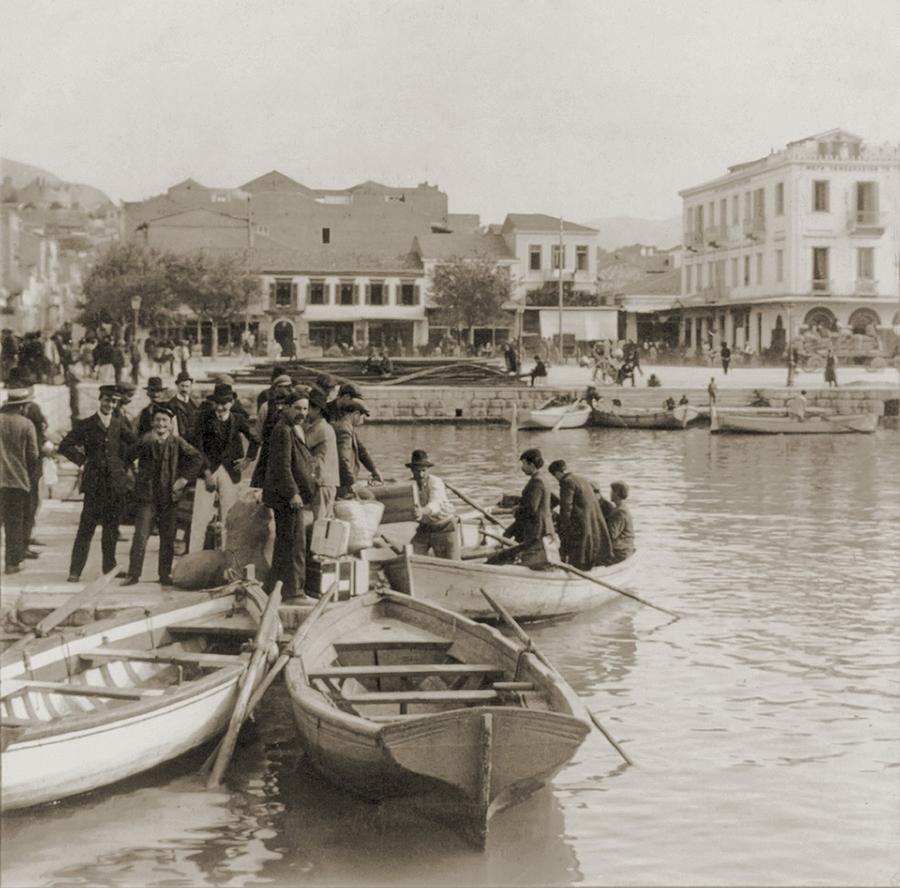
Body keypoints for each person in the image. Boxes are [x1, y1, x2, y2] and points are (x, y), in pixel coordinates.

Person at [58, 385, 136, 582]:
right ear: (100, 400)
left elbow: (136, 444)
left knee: (111, 529)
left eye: (114, 401)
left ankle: (109, 568)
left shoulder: (119, 424)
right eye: (107, 400)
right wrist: (83, 460)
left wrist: (121, 464)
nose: (110, 404)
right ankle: (75, 571)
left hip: (115, 485)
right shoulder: (86, 424)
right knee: (87, 528)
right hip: (94, 484)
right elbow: (65, 445)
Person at [120, 406, 203, 587]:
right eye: (157, 420)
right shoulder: (145, 441)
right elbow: (126, 457)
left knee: (168, 537)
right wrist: (132, 477)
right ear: (152, 423)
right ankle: (133, 574)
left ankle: (164, 575)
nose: (161, 424)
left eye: (165, 420)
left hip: (169, 498)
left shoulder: (177, 442)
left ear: (170, 425)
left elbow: (197, 458)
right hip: (147, 497)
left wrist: (183, 479)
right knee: (141, 536)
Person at [190, 383, 259, 553]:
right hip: (207, 471)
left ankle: (229, 558)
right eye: (217, 403)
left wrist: (248, 459)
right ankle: (193, 559)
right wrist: (206, 472)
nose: (220, 407)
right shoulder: (203, 418)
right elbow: (197, 447)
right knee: (200, 517)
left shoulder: (238, 419)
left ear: (232, 402)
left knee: (230, 517)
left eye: (225, 403)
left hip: (230, 471)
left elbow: (256, 439)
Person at [262, 389, 317, 600]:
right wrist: (294, 493)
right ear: (287, 407)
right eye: (297, 408)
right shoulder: (284, 430)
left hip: (283, 496)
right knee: (296, 543)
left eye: (305, 408)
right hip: (287, 497)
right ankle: (294, 591)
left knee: (284, 542)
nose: (302, 412)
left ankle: (273, 587)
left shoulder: (293, 428)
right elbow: (282, 466)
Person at [487, 448, 557, 565]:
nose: (522, 467)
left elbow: (531, 509)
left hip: (536, 530)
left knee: (504, 554)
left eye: (524, 464)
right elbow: (553, 500)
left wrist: (517, 509)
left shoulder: (536, 482)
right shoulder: (543, 479)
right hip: (542, 527)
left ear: (531, 464)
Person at [0, 384, 40, 574]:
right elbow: (33, 456)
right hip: (16, 481)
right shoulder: (26, 424)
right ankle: (12, 563)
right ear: (22, 406)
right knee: (14, 523)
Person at [548, 460, 612, 570]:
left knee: (576, 552)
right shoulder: (581, 479)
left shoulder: (567, 482)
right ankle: (585, 567)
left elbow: (566, 508)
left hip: (579, 524)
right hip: (591, 522)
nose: (556, 478)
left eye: (554, 475)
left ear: (558, 473)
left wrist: (563, 527)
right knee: (586, 550)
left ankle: (574, 569)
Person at [406, 450, 459, 560]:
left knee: (452, 565)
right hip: (424, 529)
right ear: (412, 470)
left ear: (428, 469)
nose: (421, 475)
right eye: (417, 471)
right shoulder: (409, 485)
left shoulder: (436, 482)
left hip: (444, 527)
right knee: (408, 557)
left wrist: (422, 511)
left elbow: (435, 505)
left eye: (423, 470)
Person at [333, 398, 382, 497]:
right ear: (356, 414)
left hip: (342, 481)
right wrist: (351, 483)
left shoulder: (346, 427)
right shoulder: (344, 430)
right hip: (343, 484)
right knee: (369, 497)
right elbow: (343, 458)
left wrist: (374, 469)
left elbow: (361, 451)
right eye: (363, 417)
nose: (363, 421)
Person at [304, 388, 339, 520]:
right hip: (327, 481)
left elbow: (302, 445)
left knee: (320, 522)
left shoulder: (320, 428)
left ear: (317, 410)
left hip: (322, 481)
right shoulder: (324, 427)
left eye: (307, 408)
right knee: (325, 520)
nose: (305, 413)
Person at [605, 481, 635, 563]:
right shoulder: (621, 508)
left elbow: (611, 535)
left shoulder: (620, 512)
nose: (610, 494)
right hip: (624, 549)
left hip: (620, 553)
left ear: (617, 493)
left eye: (612, 491)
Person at [167, 370, 200, 444]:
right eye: (182, 386)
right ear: (177, 386)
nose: (184, 389)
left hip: (194, 441)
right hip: (180, 441)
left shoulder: (195, 404)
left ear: (190, 387)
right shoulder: (171, 405)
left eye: (187, 386)